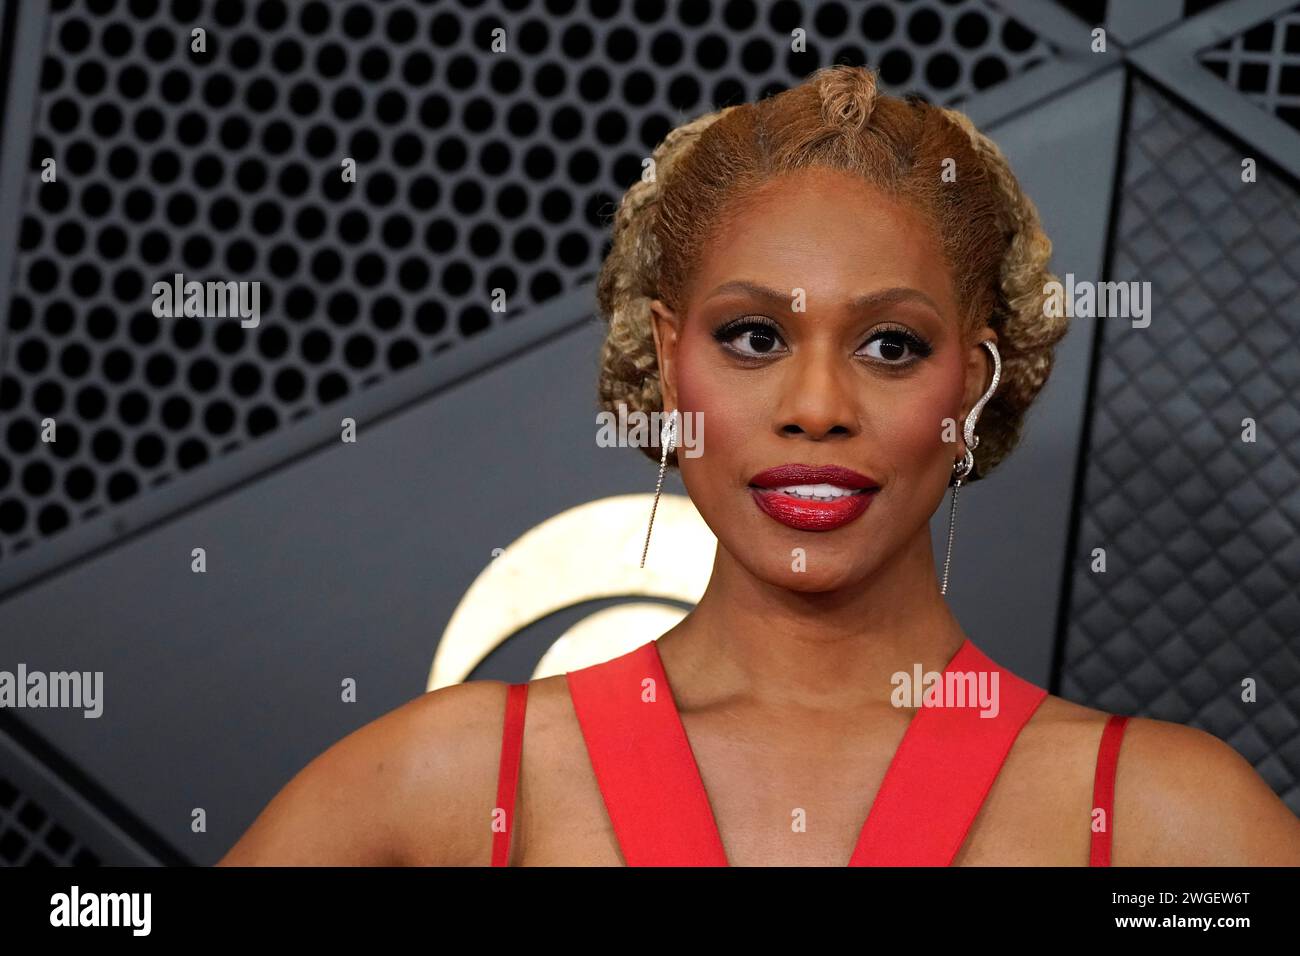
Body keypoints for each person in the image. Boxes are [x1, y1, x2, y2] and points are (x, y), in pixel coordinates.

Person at [218, 65, 1300, 866]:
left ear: (972, 382)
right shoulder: (450, 780)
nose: (817, 408)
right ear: (665, 354)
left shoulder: (1166, 823)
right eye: (751, 337)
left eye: (891, 345)